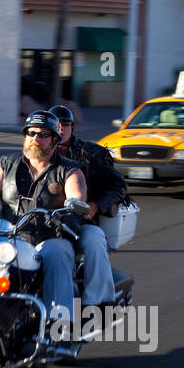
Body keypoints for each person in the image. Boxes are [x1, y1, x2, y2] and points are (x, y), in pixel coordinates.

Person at [0, 110, 87, 342]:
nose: (35, 138)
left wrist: (74, 204)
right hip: (9, 235)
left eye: (43, 134)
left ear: (55, 139)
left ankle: (59, 326)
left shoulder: (69, 169)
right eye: (30, 133)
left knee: (56, 253)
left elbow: (76, 194)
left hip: (50, 236)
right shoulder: (9, 164)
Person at [49, 105, 120, 308]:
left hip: (80, 221)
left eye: (66, 124)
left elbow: (116, 184)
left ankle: (99, 301)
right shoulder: (39, 153)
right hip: (43, 219)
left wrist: (95, 206)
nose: (61, 128)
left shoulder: (91, 153)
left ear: (72, 128)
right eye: (57, 124)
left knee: (94, 240)